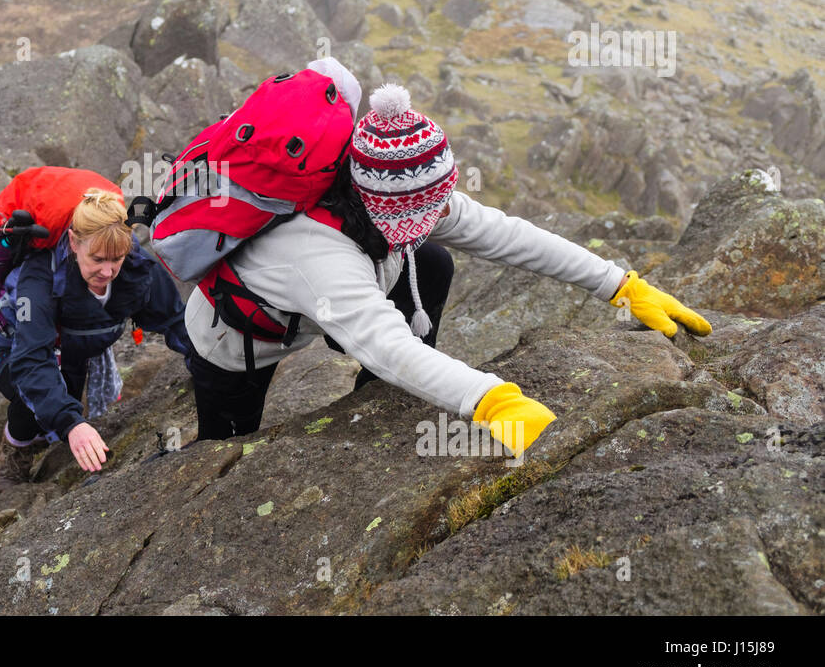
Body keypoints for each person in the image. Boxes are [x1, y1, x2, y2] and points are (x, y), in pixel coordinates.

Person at [183, 79, 711, 454]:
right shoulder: (316, 252)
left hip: (325, 295)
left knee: (431, 260)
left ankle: (382, 396)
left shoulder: (401, 190)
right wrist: (491, 401)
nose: (441, 215)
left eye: (441, 203)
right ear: (380, 203)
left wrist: (620, 285)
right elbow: (384, 341)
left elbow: (508, 236)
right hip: (237, 337)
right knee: (228, 441)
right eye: (427, 212)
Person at [0, 187, 193, 493]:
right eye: (97, 259)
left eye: (117, 259)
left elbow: (175, 320)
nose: (107, 270)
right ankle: (14, 454)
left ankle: (51, 432)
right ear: (74, 242)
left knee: (66, 399)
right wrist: (72, 424)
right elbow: (31, 361)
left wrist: (208, 363)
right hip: (4, 341)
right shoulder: (39, 278)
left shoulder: (140, 272)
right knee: (34, 402)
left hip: (71, 344)